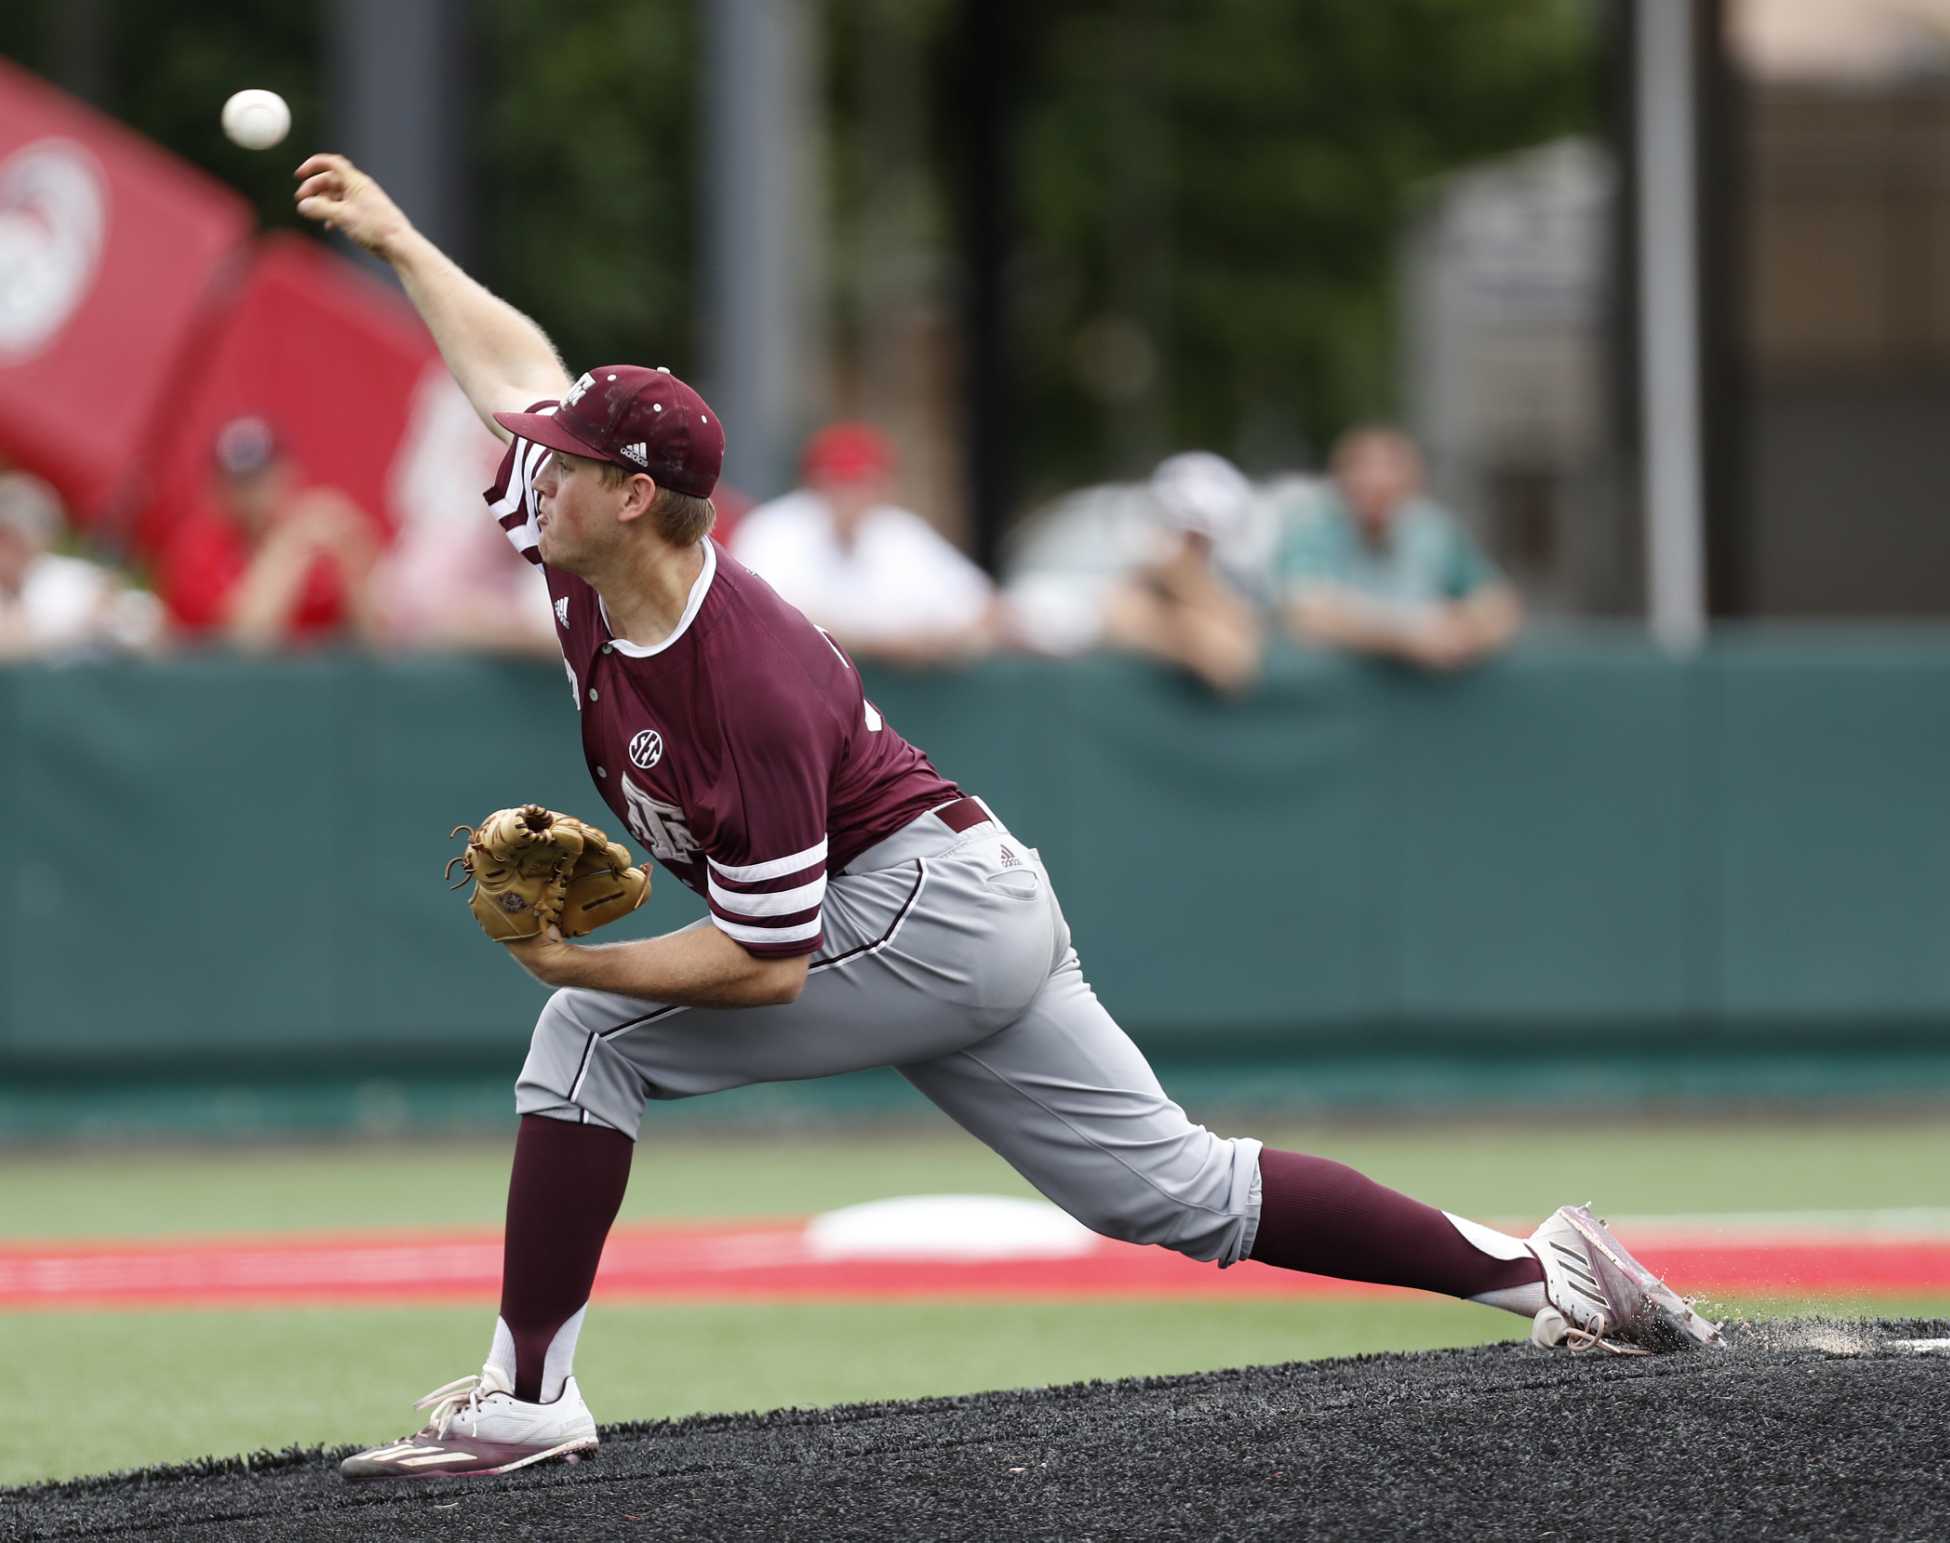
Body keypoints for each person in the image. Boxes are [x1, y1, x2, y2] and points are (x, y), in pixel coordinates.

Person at [294, 152, 1718, 1481]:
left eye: (565, 457)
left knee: (585, 1037)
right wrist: (407, 244)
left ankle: (528, 1395)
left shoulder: (751, 677)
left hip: (918, 911)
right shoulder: (577, 558)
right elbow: (518, 374)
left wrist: (579, 965)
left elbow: (769, 960)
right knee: (1179, 1189)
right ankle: (1551, 1268)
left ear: (636, 492)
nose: (531, 464)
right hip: (964, 891)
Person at [729, 422, 997, 667]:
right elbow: (757, 617)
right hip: (796, 689)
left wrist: (939, 639)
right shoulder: (773, 529)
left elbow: (983, 609)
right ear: (813, 483)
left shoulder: (900, 532)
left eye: (862, 483)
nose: (850, 496)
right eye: (839, 482)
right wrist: (879, 640)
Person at [1006, 452, 1266, 695]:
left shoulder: (1200, 587)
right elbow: (1228, 662)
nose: (1191, 549)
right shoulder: (1116, 588)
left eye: (1200, 541)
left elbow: (1232, 660)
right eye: (1190, 538)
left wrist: (1184, 580)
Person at [1276, 426, 1520, 670]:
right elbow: (1304, 614)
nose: (1377, 481)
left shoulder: (1431, 529)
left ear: (1414, 481)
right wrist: (1408, 636)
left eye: (1391, 469)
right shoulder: (1312, 527)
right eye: (1363, 469)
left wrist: (1463, 632)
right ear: (1340, 477)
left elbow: (1499, 604)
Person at [157, 417, 381, 649]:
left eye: (264, 477)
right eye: (241, 482)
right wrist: (291, 541)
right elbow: (244, 643)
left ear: (289, 473)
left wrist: (354, 559)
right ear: (216, 487)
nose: (254, 494)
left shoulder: (322, 542)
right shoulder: (196, 548)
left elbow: (375, 641)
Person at [0, 470, 164, 658]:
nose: (6, 551)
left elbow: (146, 621)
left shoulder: (70, 581)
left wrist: (109, 612)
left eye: (12, 540)